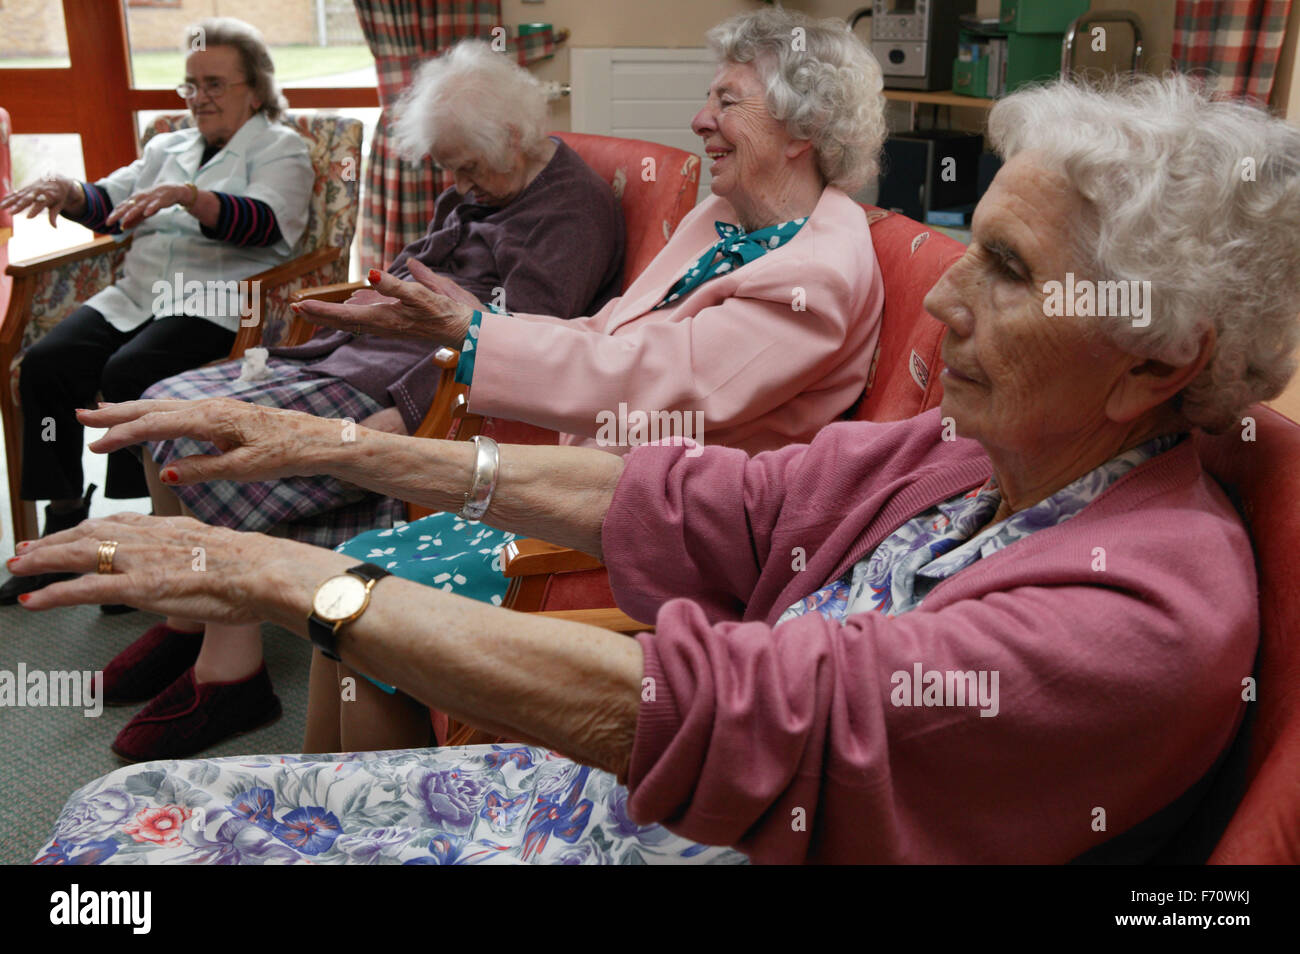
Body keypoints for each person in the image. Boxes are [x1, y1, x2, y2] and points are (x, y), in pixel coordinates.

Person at [17, 73, 1298, 864]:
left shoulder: (1144, 609)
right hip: (630, 809)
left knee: (116, 857)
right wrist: (333, 445)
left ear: (1157, 358)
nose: (948, 295)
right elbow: (705, 497)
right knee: (110, 837)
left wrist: (299, 581)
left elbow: (747, 712)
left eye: (1007, 269)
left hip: (683, 829)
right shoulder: (984, 455)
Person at [290, 6, 888, 754]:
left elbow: (650, 380)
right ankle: (310, 815)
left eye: (728, 101)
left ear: (805, 128)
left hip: (663, 538)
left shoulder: (817, 276)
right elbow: (609, 337)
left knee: (374, 607)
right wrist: (485, 323)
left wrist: (477, 341)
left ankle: (371, 825)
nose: (700, 119)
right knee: (342, 589)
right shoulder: (721, 223)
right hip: (585, 491)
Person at [78, 39, 626, 763]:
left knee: (209, 445)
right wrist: (355, 307)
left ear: (518, 137)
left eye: (464, 165)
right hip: (355, 356)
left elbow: (515, 350)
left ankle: (231, 672)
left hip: (402, 385)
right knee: (157, 405)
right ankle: (190, 620)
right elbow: (419, 265)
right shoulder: (490, 173)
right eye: (447, 166)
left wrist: (403, 413)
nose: (455, 180)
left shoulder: (571, 217)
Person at [0, 17, 313, 605]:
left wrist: (193, 198)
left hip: (215, 300)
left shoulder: (281, 148)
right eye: (191, 86)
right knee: (47, 361)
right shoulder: (167, 145)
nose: (199, 99)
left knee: (127, 374)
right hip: (137, 294)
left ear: (256, 88)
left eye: (214, 84)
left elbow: (268, 224)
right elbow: (113, 204)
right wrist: (70, 194)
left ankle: (135, 528)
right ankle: (66, 516)